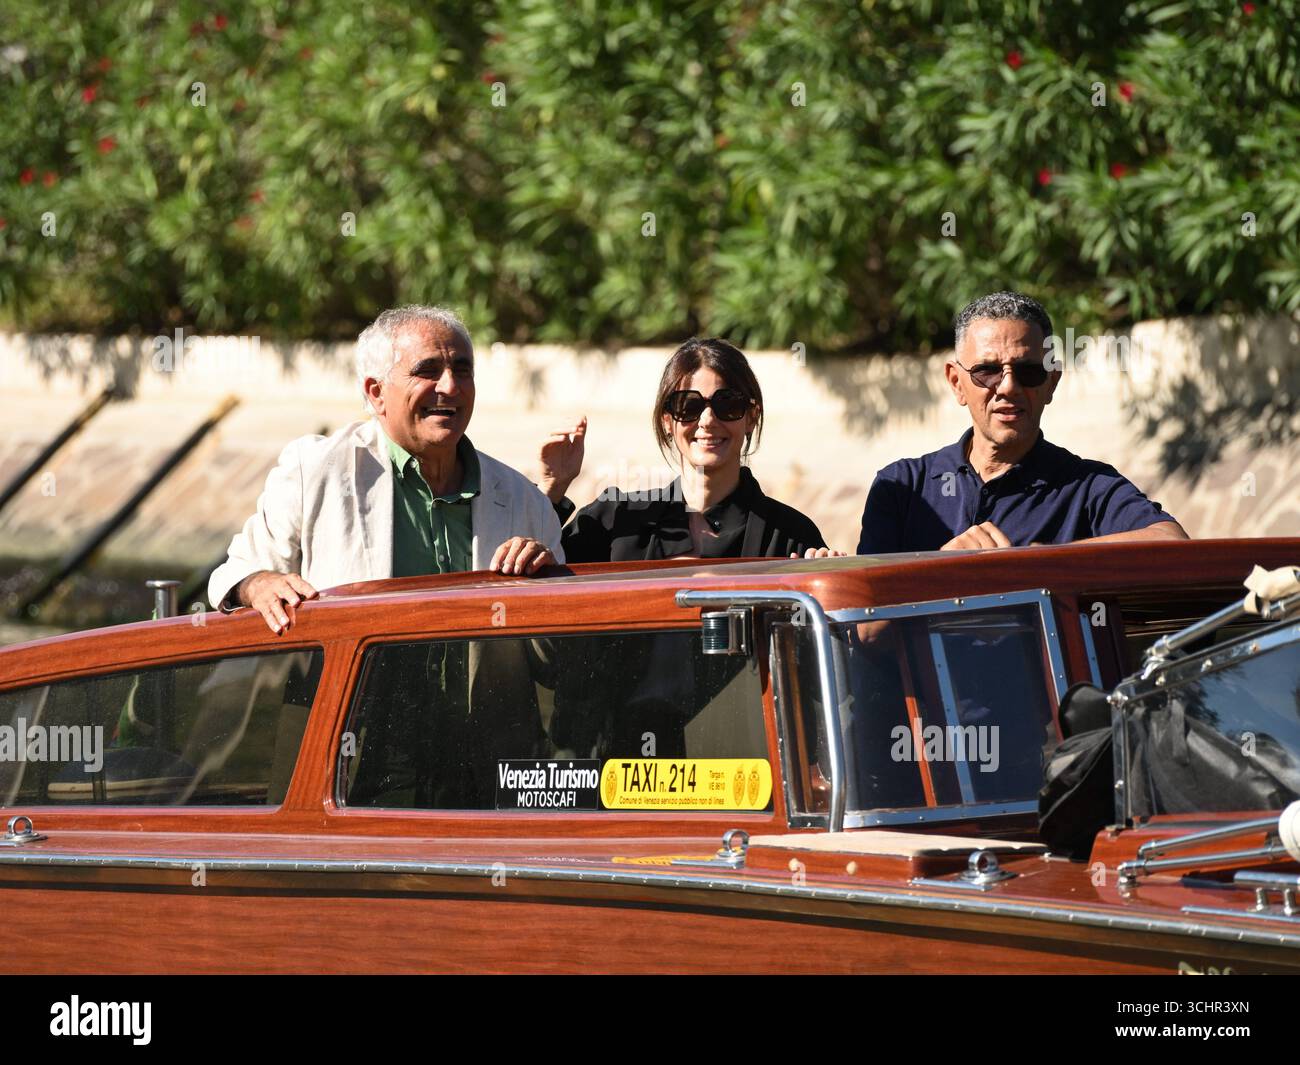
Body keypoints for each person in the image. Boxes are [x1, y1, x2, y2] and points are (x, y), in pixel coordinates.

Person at [208, 304, 563, 632]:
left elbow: (554, 657)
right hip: (354, 701)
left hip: (488, 703)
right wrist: (258, 584)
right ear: (376, 393)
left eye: (462, 369)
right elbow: (236, 573)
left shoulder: (524, 500)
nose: (450, 386)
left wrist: (545, 587)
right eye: (427, 371)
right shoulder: (315, 470)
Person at [857, 291, 1188, 554]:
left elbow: (1172, 543)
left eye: (1028, 371)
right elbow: (865, 623)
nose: (1009, 387)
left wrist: (1039, 563)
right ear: (957, 383)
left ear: (1051, 383)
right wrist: (944, 572)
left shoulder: (1088, 488)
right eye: (987, 370)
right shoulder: (901, 487)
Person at [542, 336, 836, 561]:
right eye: (688, 406)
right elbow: (536, 587)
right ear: (667, 420)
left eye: (727, 405)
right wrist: (552, 491)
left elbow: (834, 635)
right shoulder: (614, 521)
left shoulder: (791, 536)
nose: (707, 421)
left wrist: (831, 589)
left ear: (751, 417)